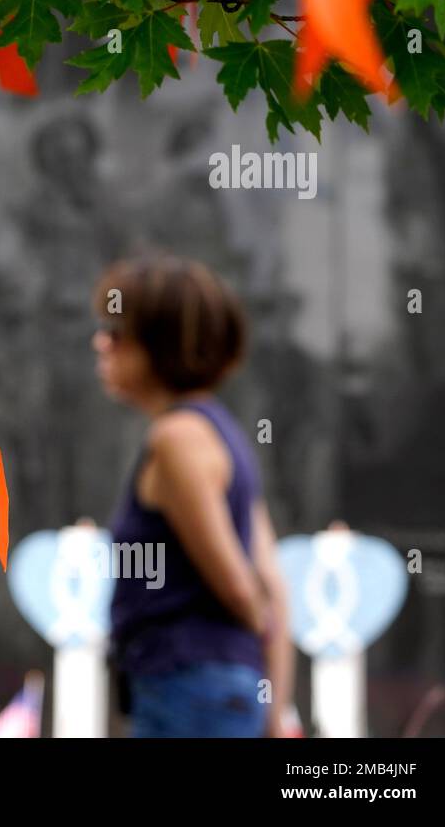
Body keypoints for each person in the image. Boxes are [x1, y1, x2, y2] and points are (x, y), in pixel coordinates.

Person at [93, 254, 294, 737]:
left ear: (159, 346)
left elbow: (241, 588)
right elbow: (272, 584)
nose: (101, 343)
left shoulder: (177, 437)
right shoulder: (225, 437)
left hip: (188, 691)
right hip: (219, 691)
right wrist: (276, 708)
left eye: (117, 333)